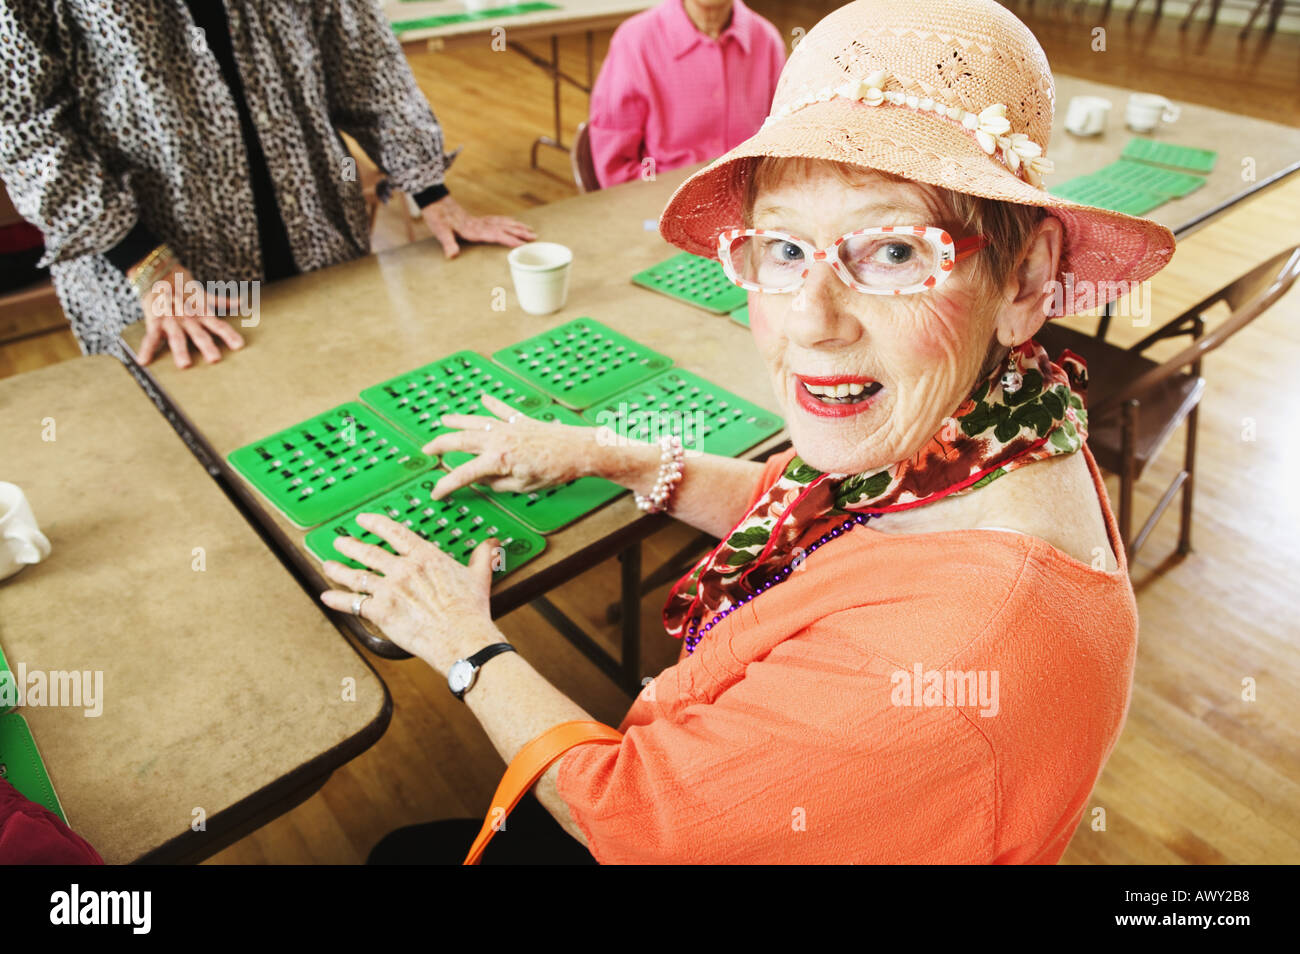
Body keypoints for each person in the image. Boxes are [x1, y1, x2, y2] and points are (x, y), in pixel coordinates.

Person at [323, 0, 1176, 863]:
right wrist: (601, 453)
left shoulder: (943, 660)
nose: (810, 322)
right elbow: (829, 519)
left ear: (1025, 279)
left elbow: (624, 813)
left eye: (894, 252)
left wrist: (463, 643)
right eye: (785, 249)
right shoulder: (1003, 431)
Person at [0, 0, 534, 367]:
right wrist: (143, 259)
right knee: (204, 453)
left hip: (313, 235)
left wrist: (430, 190)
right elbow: (21, 120)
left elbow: (362, 55)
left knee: (340, 407)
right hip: (152, 267)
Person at [587, 0, 785, 188]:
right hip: (658, 204)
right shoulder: (633, 41)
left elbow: (781, 144)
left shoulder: (767, 40)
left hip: (749, 206)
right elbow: (616, 167)